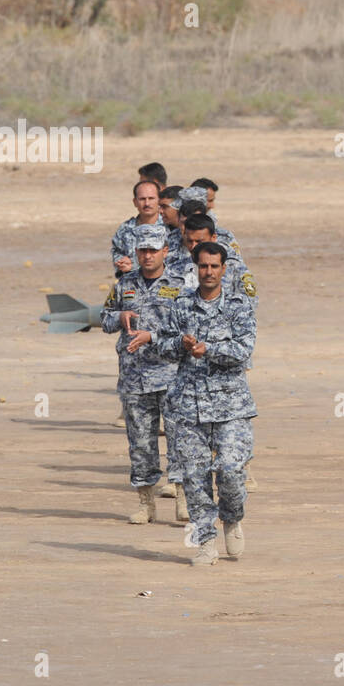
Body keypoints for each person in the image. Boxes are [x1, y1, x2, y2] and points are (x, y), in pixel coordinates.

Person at [153, 242, 258, 566]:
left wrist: (208, 350)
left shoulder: (239, 306)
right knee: (194, 478)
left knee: (229, 470)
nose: (209, 272)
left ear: (224, 269)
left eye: (214, 266)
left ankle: (232, 517)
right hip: (188, 405)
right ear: (196, 269)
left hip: (231, 406)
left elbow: (243, 351)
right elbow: (162, 346)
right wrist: (179, 345)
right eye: (203, 266)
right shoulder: (181, 305)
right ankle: (206, 543)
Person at [101, 224, 190, 524]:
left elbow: (189, 328)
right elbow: (104, 318)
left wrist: (154, 336)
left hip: (171, 375)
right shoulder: (125, 283)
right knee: (140, 443)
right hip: (135, 377)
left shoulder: (180, 284)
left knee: (179, 439)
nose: (148, 256)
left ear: (166, 251)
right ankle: (145, 503)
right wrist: (119, 316)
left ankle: (182, 497)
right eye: (143, 251)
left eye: (153, 250)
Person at [111, 180, 164, 279]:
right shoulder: (125, 229)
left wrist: (134, 266)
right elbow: (116, 251)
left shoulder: (169, 228)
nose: (147, 203)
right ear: (135, 202)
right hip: (132, 286)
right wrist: (122, 262)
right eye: (142, 199)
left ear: (159, 200)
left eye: (151, 198)